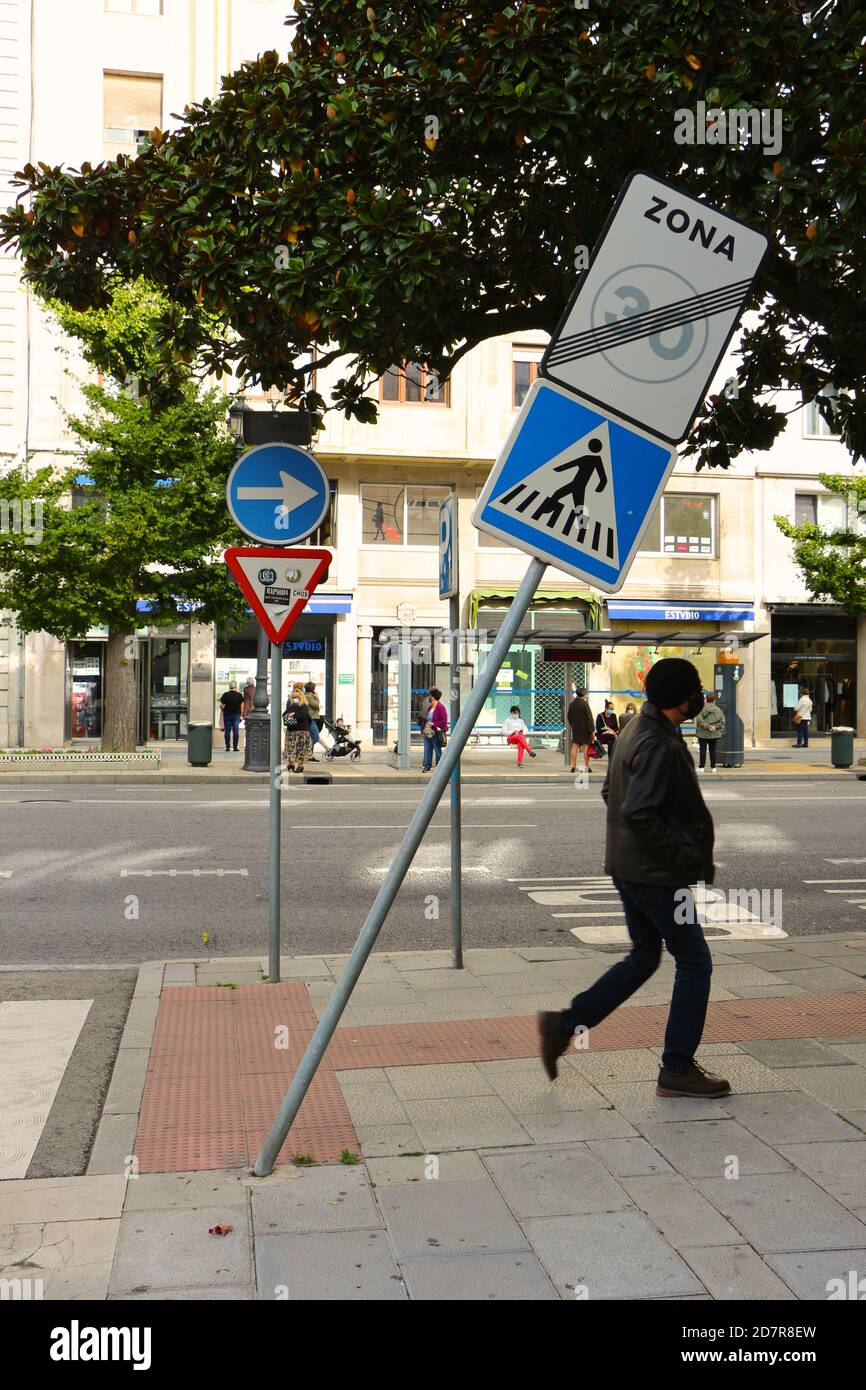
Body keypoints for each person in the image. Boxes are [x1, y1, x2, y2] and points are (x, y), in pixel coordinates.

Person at [538, 657, 730, 1100]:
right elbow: (638, 810)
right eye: (696, 689)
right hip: (656, 875)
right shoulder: (658, 743)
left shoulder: (636, 731)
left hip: (630, 868)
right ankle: (676, 1069)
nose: (700, 696)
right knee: (696, 963)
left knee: (645, 957)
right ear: (684, 700)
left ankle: (565, 1024)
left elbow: (612, 793)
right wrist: (682, 855)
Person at [283, 682, 312, 773]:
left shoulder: (304, 706)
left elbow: (301, 716)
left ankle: (300, 765)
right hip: (291, 731)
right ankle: (290, 764)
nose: (294, 699)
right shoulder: (292, 705)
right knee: (290, 748)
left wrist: (293, 715)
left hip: (301, 731)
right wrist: (289, 714)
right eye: (293, 697)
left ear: (300, 697)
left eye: (296, 697)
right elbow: (284, 714)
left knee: (301, 749)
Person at [695, 691, 726, 772]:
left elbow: (699, 719)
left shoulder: (702, 709)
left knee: (702, 750)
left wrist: (707, 726)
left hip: (703, 733)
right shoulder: (718, 710)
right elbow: (723, 721)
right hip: (714, 734)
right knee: (713, 751)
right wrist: (715, 727)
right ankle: (713, 768)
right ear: (714, 700)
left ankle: (701, 767)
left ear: (706, 700)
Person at [567, 687, 595, 774]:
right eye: (586, 693)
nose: (587, 695)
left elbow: (569, 716)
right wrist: (592, 730)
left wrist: (573, 724)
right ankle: (586, 766)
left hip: (576, 728)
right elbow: (589, 718)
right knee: (586, 746)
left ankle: (573, 766)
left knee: (575, 746)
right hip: (585, 728)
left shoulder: (572, 704)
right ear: (583, 694)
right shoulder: (585, 704)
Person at [421, 687, 448, 773]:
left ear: (432, 697)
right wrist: (423, 730)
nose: (429, 697)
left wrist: (433, 724)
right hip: (428, 732)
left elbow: (444, 720)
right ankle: (427, 766)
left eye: (430, 695)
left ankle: (439, 767)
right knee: (427, 749)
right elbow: (426, 719)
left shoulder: (441, 707)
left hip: (436, 732)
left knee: (437, 750)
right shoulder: (430, 707)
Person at [219, 681, 244, 753]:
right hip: (236, 715)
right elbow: (242, 705)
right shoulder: (239, 695)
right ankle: (235, 747)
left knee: (227, 731)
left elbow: (221, 705)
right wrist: (242, 714)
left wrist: (223, 709)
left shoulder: (225, 695)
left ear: (229, 686)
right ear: (235, 687)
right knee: (235, 731)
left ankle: (227, 747)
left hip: (227, 715)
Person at [304, 681, 321, 761]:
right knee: (315, 737)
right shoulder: (309, 696)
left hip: (312, 718)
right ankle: (305, 750)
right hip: (311, 719)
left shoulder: (308, 695)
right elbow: (316, 705)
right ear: (312, 689)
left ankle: (310, 756)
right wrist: (317, 697)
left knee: (310, 737)